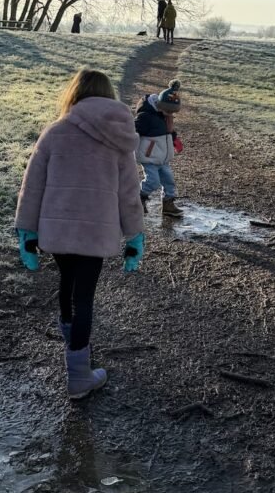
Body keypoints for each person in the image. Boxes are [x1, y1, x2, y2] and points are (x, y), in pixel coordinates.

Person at [15, 68, 145, 399]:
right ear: (108, 95)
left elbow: (32, 186)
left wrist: (27, 232)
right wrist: (134, 236)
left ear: (75, 92)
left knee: (66, 287)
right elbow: (129, 192)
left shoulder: (54, 132)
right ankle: (78, 375)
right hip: (96, 231)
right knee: (83, 295)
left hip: (57, 228)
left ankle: (76, 356)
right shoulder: (119, 138)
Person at [135, 79, 183, 217]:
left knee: (169, 181)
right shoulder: (145, 116)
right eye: (168, 111)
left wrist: (174, 139)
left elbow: (168, 130)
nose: (170, 114)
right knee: (153, 181)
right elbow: (134, 130)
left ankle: (168, 204)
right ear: (160, 105)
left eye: (172, 112)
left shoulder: (165, 115)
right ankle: (139, 200)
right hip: (149, 156)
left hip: (163, 156)